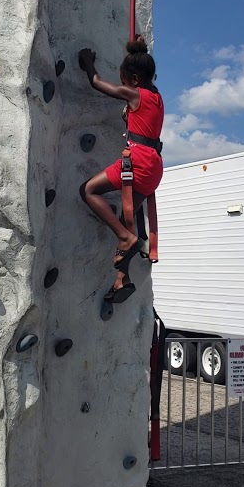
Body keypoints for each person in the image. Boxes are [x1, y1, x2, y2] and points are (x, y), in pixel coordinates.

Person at [78, 37, 164, 303]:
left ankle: (125, 238)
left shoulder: (134, 93)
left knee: (88, 190)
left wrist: (87, 63)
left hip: (136, 160)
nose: (123, 84)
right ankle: (121, 279)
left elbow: (98, 85)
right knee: (128, 217)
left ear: (134, 80)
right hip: (154, 166)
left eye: (124, 79)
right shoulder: (156, 96)